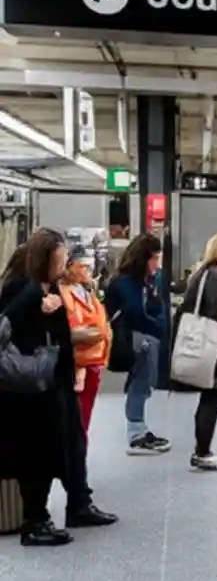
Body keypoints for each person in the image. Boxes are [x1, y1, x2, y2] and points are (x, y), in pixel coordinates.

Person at [0, 229, 117, 547]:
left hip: (54, 381)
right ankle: (34, 521)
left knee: (71, 444)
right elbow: (8, 324)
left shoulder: (48, 287)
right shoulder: (22, 288)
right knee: (36, 455)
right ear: (44, 259)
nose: (65, 264)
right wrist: (38, 303)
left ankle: (78, 503)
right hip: (29, 388)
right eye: (61, 258)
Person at [177, 232, 217, 471]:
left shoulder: (204, 273)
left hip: (210, 347)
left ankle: (203, 449)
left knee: (209, 398)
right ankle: (202, 452)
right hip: (214, 349)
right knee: (211, 398)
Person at [104, 233, 171, 455]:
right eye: (154, 259)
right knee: (139, 385)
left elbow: (156, 309)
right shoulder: (124, 284)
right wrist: (156, 326)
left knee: (144, 384)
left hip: (149, 340)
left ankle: (139, 427)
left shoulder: (153, 281)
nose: (158, 264)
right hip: (134, 341)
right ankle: (135, 432)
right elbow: (136, 313)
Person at [59, 245, 112, 446]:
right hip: (78, 361)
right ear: (69, 266)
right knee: (76, 418)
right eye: (83, 266)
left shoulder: (86, 291)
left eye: (90, 267)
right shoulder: (64, 293)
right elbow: (72, 325)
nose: (87, 271)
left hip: (94, 359)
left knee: (85, 416)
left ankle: (79, 455)